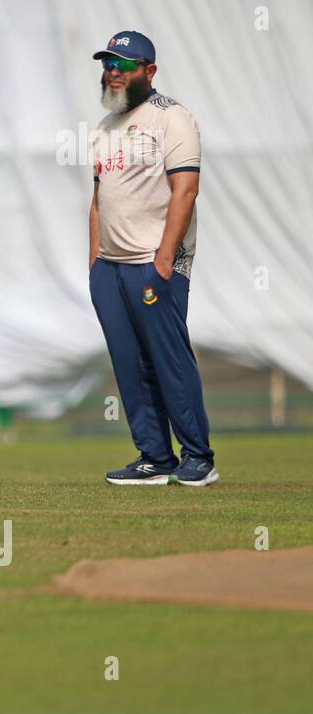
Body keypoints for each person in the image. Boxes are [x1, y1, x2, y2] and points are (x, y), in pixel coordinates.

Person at [87, 31, 218, 486]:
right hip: (111, 266)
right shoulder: (105, 126)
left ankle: (198, 456)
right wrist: (94, 264)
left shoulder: (172, 118)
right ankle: (154, 457)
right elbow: (100, 199)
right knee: (129, 364)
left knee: (168, 361)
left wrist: (164, 261)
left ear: (149, 70)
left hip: (154, 262)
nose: (113, 72)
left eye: (123, 64)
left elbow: (186, 190)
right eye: (108, 64)